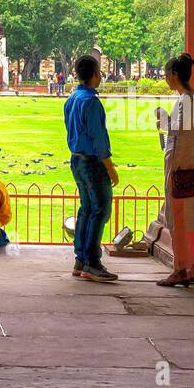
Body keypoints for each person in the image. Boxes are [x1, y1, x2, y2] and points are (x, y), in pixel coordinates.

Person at [64, 54, 119, 282]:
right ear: (95, 74)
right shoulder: (91, 102)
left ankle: (81, 259)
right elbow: (98, 139)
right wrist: (110, 167)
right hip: (91, 162)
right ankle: (92, 263)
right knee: (100, 210)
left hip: (76, 160)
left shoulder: (73, 98)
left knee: (86, 209)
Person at [155, 51, 194, 288]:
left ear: (174, 75)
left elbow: (179, 137)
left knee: (177, 219)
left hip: (180, 167)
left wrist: (163, 120)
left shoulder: (185, 101)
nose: (165, 78)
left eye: (167, 74)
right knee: (192, 218)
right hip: (193, 165)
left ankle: (180, 268)